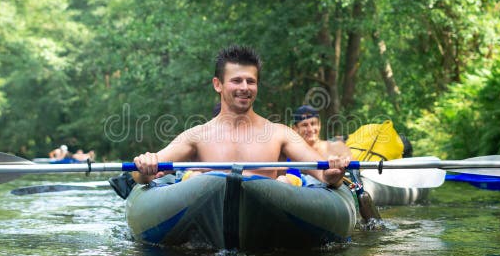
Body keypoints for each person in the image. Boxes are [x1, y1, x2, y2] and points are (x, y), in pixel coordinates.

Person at [132, 45, 349, 187]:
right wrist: (146, 166)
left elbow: (322, 173)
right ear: (218, 84)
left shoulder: (280, 134)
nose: (244, 87)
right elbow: (140, 176)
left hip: (268, 213)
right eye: (236, 81)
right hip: (210, 214)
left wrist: (333, 175)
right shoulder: (195, 136)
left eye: (251, 81)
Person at [290, 104, 381, 222]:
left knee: (362, 195)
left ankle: (374, 224)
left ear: (319, 125)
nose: (310, 129)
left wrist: (343, 162)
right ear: (294, 128)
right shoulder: (290, 154)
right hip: (305, 194)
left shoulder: (336, 146)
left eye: (313, 124)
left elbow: (354, 173)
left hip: (336, 190)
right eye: (304, 125)